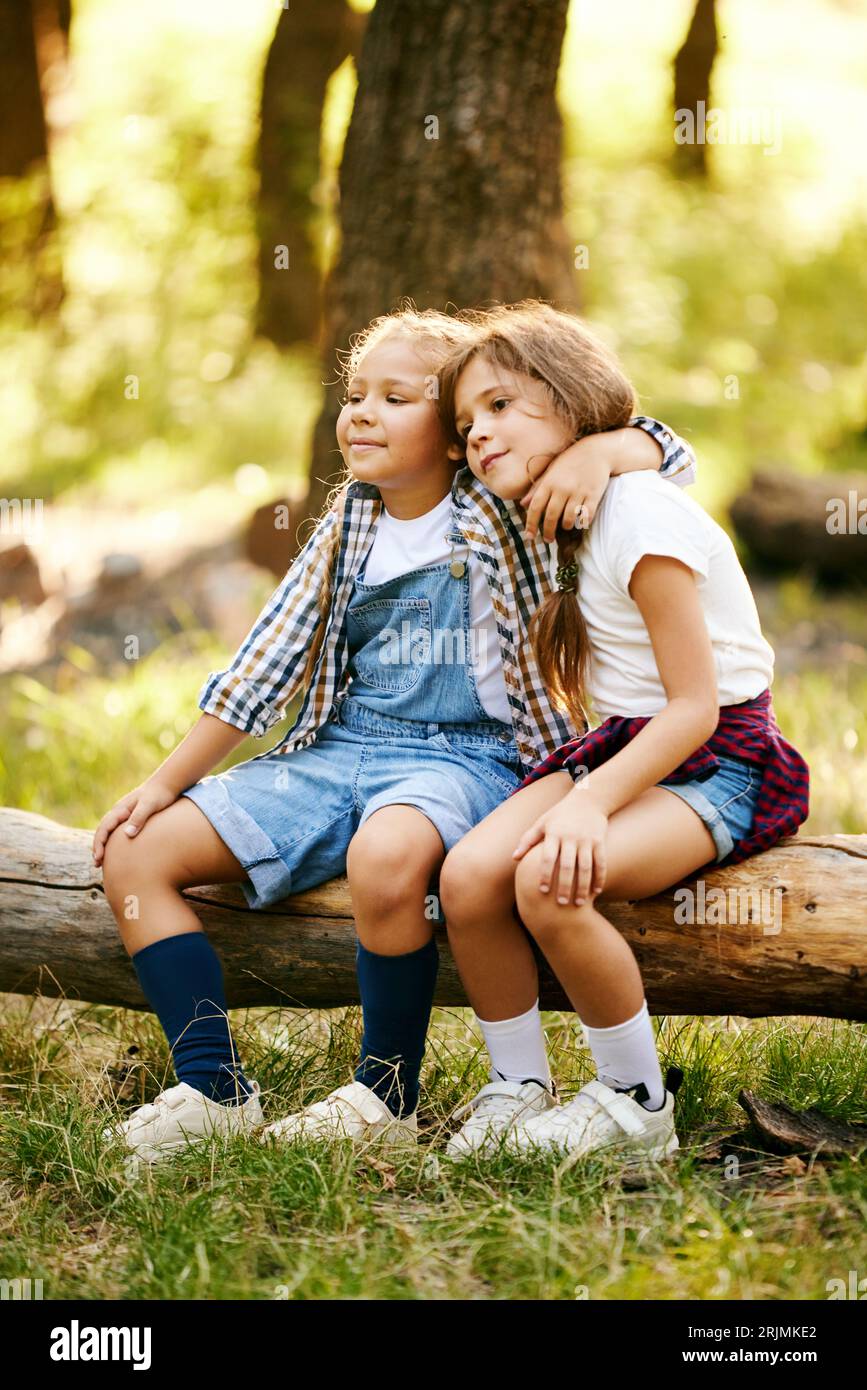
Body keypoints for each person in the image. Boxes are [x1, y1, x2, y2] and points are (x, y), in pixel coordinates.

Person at [93, 303, 696, 1167]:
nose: (361, 413)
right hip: (344, 749)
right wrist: (161, 784)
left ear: (454, 437)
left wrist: (605, 449)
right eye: (353, 395)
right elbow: (265, 665)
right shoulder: (351, 521)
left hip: (475, 758)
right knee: (136, 853)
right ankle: (212, 1086)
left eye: (396, 399)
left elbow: (670, 454)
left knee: (385, 857)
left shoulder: (499, 502)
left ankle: (386, 1090)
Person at [436, 301, 810, 1163]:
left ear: (569, 399)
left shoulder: (637, 513)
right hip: (627, 745)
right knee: (468, 877)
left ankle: (636, 1102)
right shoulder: (543, 511)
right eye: (465, 423)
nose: (479, 435)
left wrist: (585, 807)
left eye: (499, 405)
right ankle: (518, 1087)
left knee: (545, 880)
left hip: (716, 761)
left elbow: (695, 707)